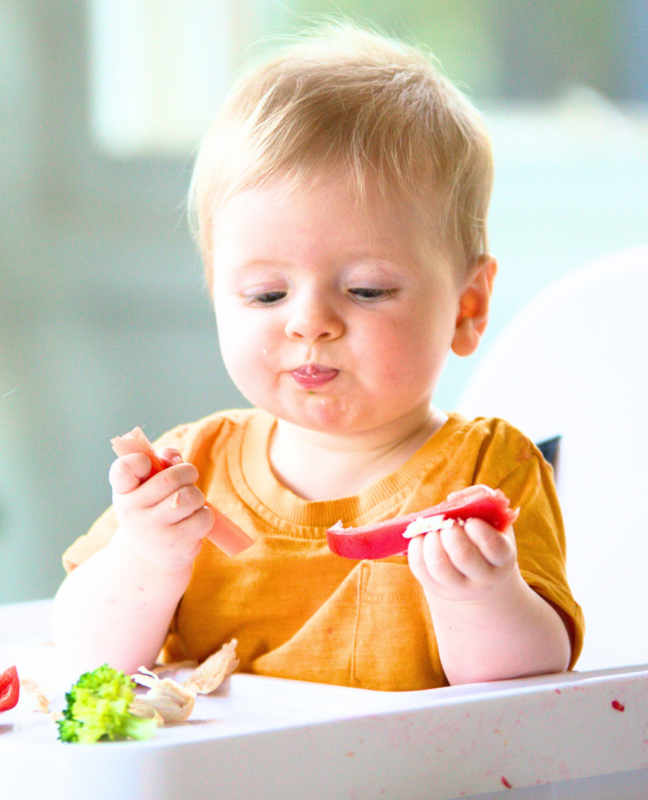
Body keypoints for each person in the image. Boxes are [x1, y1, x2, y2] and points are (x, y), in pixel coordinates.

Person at [52, 22, 584, 691]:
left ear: (466, 307)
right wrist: (150, 559)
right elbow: (82, 661)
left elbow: (532, 694)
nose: (310, 323)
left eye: (366, 290)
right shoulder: (194, 467)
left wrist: (480, 598)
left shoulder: (485, 471)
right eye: (266, 293)